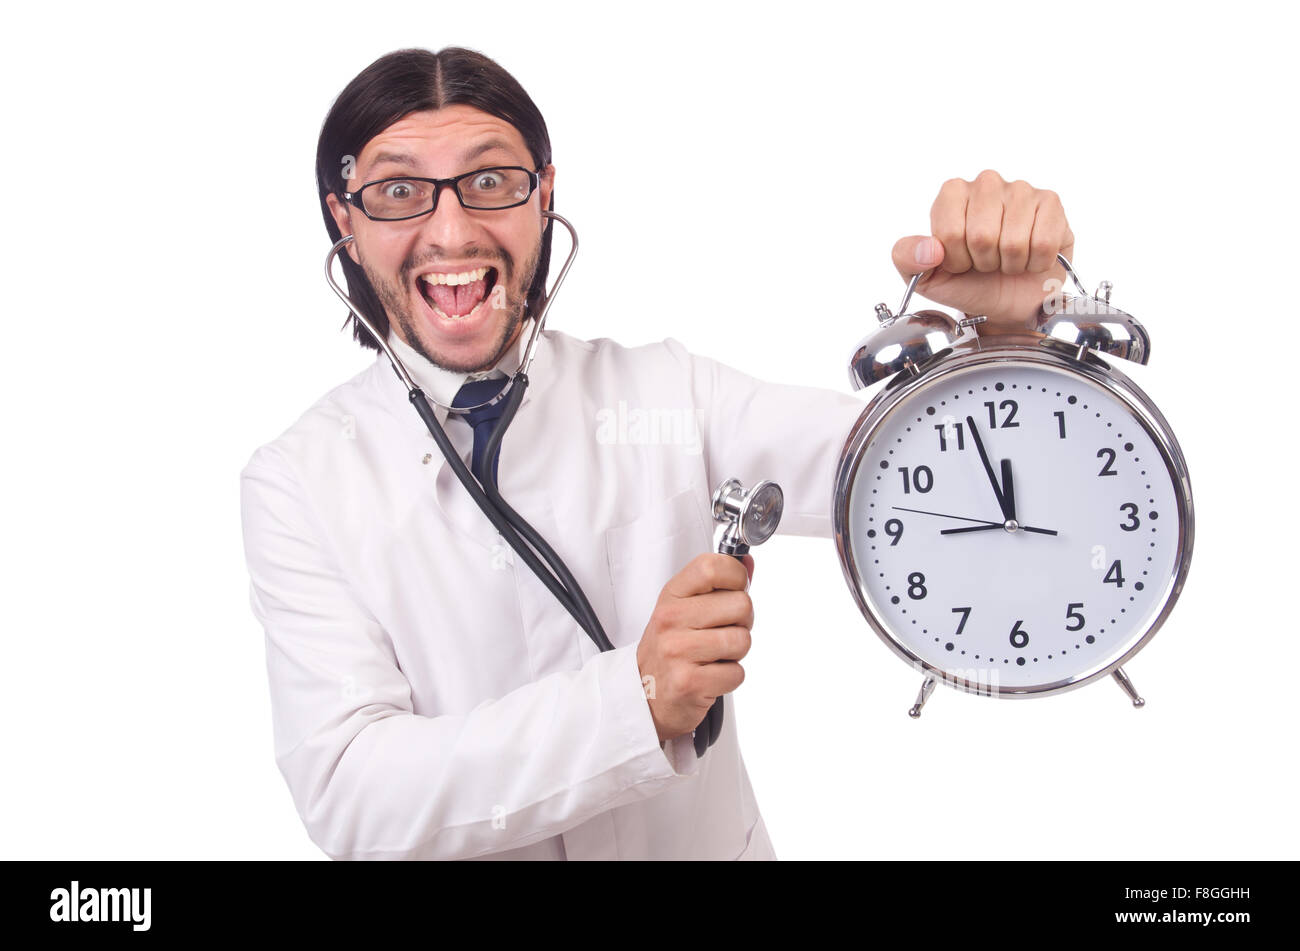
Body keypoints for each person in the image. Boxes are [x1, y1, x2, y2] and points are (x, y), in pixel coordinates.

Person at [238, 47, 1076, 860]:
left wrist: (1005, 337)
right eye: (397, 191)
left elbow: (940, 489)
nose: (450, 230)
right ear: (345, 221)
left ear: (546, 196)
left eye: (491, 180)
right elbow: (350, 788)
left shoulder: (667, 397)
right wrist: (634, 701)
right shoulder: (299, 485)